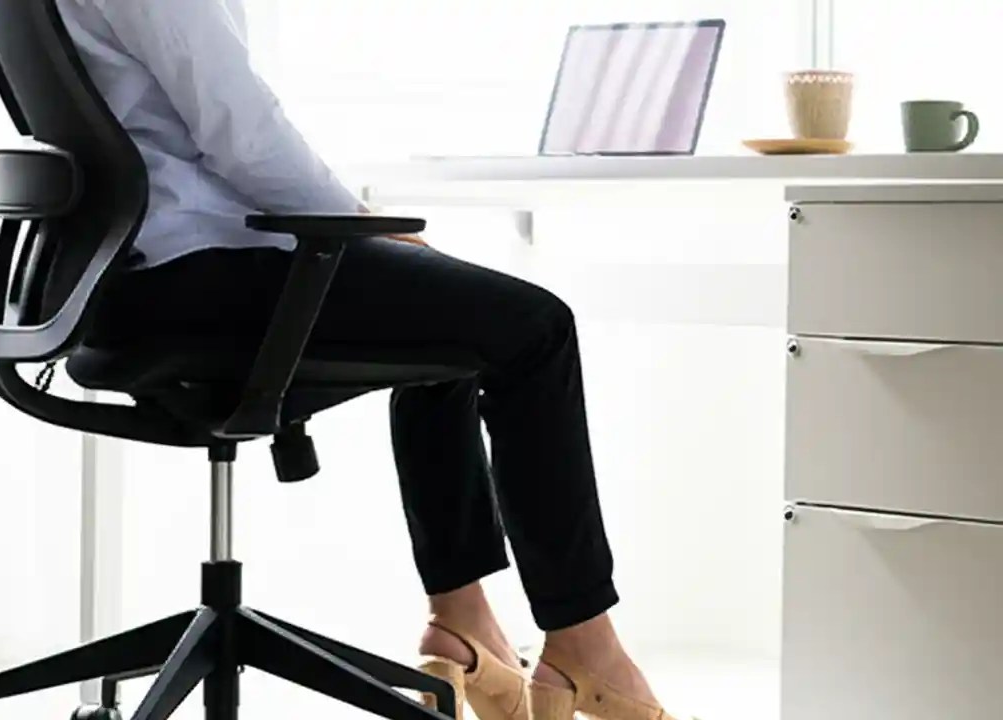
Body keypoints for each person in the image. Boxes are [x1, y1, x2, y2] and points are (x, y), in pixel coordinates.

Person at [52, 1, 680, 719]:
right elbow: (243, 133)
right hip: (196, 274)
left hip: (132, 280)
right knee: (533, 328)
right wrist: (359, 228)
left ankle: (461, 619)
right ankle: (584, 647)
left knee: (453, 324)